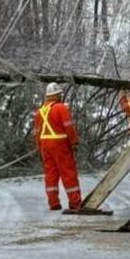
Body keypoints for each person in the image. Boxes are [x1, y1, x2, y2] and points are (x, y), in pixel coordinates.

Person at [34, 82, 81, 212]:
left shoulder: (40, 111)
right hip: (60, 144)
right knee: (68, 172)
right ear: (57, 95)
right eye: (59, 94)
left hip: (45, 145)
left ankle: (53, 203)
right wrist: (74, 142)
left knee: (50, 175)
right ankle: (75, 202)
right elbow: (69, 126)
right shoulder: (61, 108)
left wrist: (39, 148)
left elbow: (37, 132)